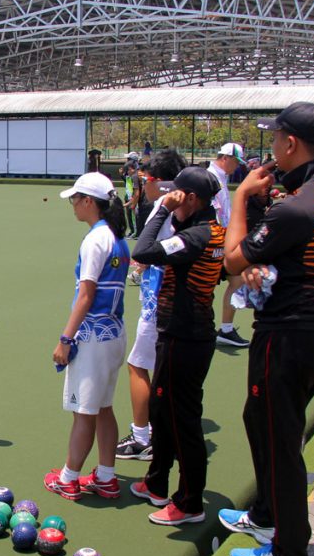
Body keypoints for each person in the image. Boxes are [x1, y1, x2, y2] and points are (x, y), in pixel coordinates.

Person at [219, 101, 314, 556]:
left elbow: (233, 260)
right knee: (261, 419)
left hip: (290, 334)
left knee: (280, 441)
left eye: (275, 138)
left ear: (290, 144)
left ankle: (290, 554)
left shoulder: (297, 207)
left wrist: (240, 199)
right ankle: (265, 516)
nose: (271, 145)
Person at [129, 166, 225, 526]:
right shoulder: (209, 230)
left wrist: (162, 209)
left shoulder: (197, 236)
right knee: (161, 410)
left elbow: (144, 250)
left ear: (192, 199)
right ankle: (156, 482)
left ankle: (189, 502)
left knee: (182, 420)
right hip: (183, 334)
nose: (171, 198)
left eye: (178, 194)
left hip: (185, 338)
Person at [42, 173, 130, 501]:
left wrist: (65, 340)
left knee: (85, 412)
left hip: (92, 338)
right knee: (104, 407)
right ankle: (106, 476)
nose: (72, 205)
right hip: (114, 334)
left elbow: (85, 296)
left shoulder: (95, 239)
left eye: (75, 199)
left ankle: (68, 478)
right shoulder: (117, 237)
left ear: (89, 202)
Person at [116, 150, 186, 462]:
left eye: (146, 180)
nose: (144, 185)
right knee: (164, 366)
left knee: (138, 364)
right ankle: (162, 430)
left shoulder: (163, 205)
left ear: (158, 181)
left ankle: (142, 436)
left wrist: (139, 267)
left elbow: (144, 250)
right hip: (179, 295)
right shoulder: (192, 203)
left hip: (160, 298)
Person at [208, 143, 250, 348]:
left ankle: (225, 329)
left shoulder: (221, 177)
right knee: (205, 287)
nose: (237, 167)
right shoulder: (210, 178)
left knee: (237, 280)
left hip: (224, 241)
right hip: (214, 243)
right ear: (225, 158)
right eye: (236, 161)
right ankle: (217, 329)